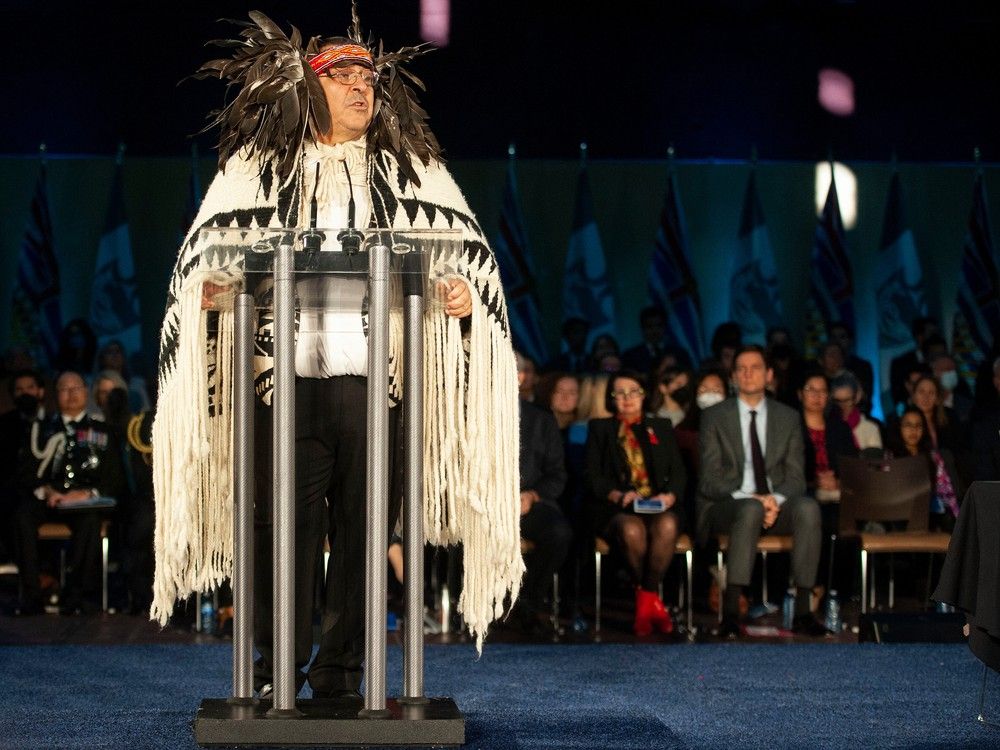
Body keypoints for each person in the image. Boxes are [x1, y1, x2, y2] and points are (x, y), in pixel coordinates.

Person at [151, 13, 521, 699]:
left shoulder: (413, 171)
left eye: (369, 76)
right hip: (281, 388)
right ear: (300, 85)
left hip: (376, 386)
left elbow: (466, 260)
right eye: (343, 74)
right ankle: (271, 671)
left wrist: (462, 296)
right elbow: (205, 262)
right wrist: (210, 292)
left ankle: (342, 671)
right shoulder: (255, 173)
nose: (362, 86)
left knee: (365, 538)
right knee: (278, 536)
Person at [697, 345, 825, 638]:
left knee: (808, 507)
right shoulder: (715, 417)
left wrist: (774, 501)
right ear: (732, 377)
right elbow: (709, 481)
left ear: (769, 375)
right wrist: (752, 498)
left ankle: (804, 611)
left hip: (773, 505)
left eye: (755, 367)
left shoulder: (788, 417)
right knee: (750, 509)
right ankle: (731, 612)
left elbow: (795, 478)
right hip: (727, 504)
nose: (747, 374)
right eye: (741, 368)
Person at [584, 370, 686, 635]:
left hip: (657, 506)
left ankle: (646, 599)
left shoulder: (661, 426)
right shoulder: (600, 428)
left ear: (644, 395)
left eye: (634, 392)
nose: (627, 399)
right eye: (620, 393)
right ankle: (652, 603)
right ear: (611, 398)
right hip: (617, 508)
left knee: (666, 526)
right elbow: (592, 476)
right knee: (632, 530)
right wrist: (618, 495)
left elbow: (678, 472)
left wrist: (669, 495)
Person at [16, 371, 124, 614]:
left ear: (86, 392)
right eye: (64, 388)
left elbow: (114, 477)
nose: (71, 394)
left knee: (89, 521)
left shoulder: (103, 431)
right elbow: (26, 472)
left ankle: (76, 596)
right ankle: (32, 595)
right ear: (55, 395)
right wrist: (46, 491)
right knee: (21, 515)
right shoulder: (41, 429)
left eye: (76, 388)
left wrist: (87, 494)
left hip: (84, 503)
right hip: (49, 500)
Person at [516, 358, 571, 635]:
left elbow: (556, 475)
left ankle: (530, 602)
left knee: (559, 533)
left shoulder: (541, 419)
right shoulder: (469, 413)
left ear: (522, 377)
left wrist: (532, 495)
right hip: (481, 505)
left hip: (528, 504)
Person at [886, 407, 962, 531]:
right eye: (908, 425)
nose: (913, 430)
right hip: (898, 512)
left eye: (918, 425)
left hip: (929, 512)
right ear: (899, 428)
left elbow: (946, 492)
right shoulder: (890, 457)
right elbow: (887, 491)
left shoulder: (933, 457)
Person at [621, 305, 692, 374]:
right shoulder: (630, 356)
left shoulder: (680, 354)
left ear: (665, 327)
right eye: (649, 326)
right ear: (642, 328)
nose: (655, 331)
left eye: (659, 325)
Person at [830, 372, 883, 452]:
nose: (842, 406)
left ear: (857, 397)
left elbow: (874, 461)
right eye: (837, 401)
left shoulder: (870, 428)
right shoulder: (828, 425)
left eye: (847, 400)